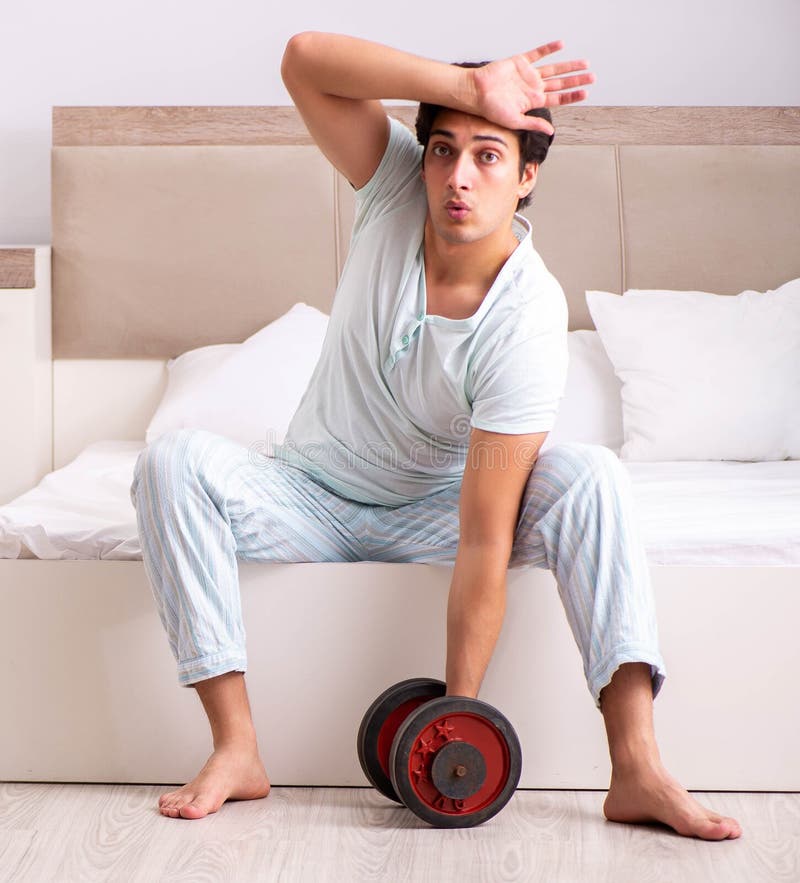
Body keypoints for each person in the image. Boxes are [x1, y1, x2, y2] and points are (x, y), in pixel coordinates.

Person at [130, 32, 741, 840]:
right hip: (310, 495)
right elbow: (305, 58)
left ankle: (635, 765)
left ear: (528, 176)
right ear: (419, 160)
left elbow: (486, 537)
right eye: (443, 150)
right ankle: (237, 748)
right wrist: (469, 85)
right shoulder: (392, 191)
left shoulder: (527, 317)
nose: (458, 176)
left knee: (591, 477)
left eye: (488, 156)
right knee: (172, 460)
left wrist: (455, 723)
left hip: (440, 516)